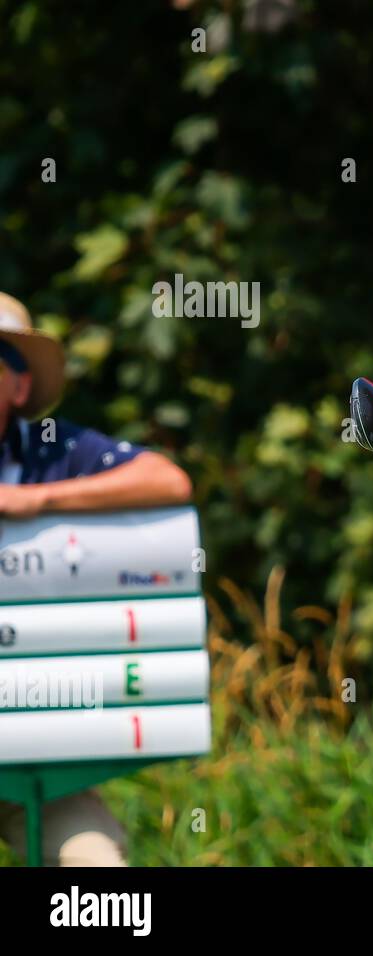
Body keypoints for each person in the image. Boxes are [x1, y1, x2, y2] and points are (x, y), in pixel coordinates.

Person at [0, 291, 194, 866]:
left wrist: (36, 502)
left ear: (19, 387)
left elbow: (167, 480)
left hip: (37, 769)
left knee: (98, 873)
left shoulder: (53, 452)